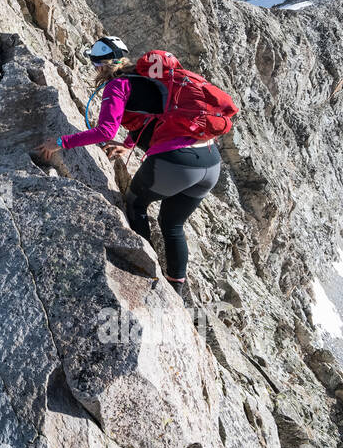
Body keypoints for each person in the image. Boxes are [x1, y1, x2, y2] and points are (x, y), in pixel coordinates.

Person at [37, 36, 223, 297]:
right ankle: (176, 291)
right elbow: (153, 116)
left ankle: (147, 276)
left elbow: (104, 131)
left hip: (176, 162)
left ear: (100, 66)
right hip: (210, 162)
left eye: (94, 66)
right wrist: (128, 143)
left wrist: (61, 142)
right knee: (172, 224)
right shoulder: (148, 77)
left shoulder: (118, 85)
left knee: (136, 204)